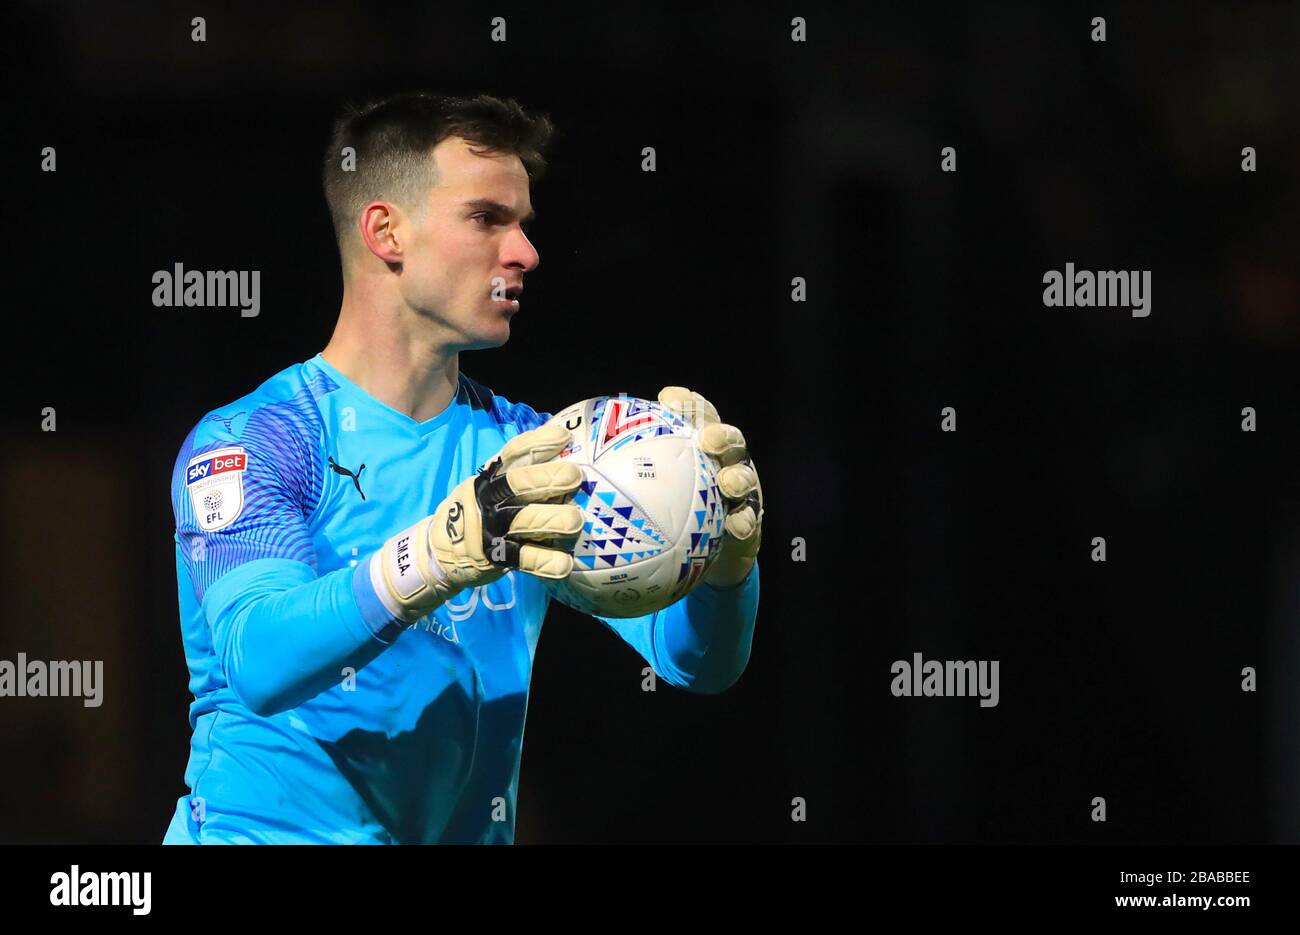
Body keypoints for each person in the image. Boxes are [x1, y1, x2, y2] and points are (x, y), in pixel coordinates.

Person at [163, 92, 763, 844]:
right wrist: (441, 554)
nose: (525, 252)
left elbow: (695, 663)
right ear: (387, 231)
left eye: (523, 224)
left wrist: (723, 569)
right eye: (487, 219)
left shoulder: (538, 454)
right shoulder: (258, 439)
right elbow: (259, 659)